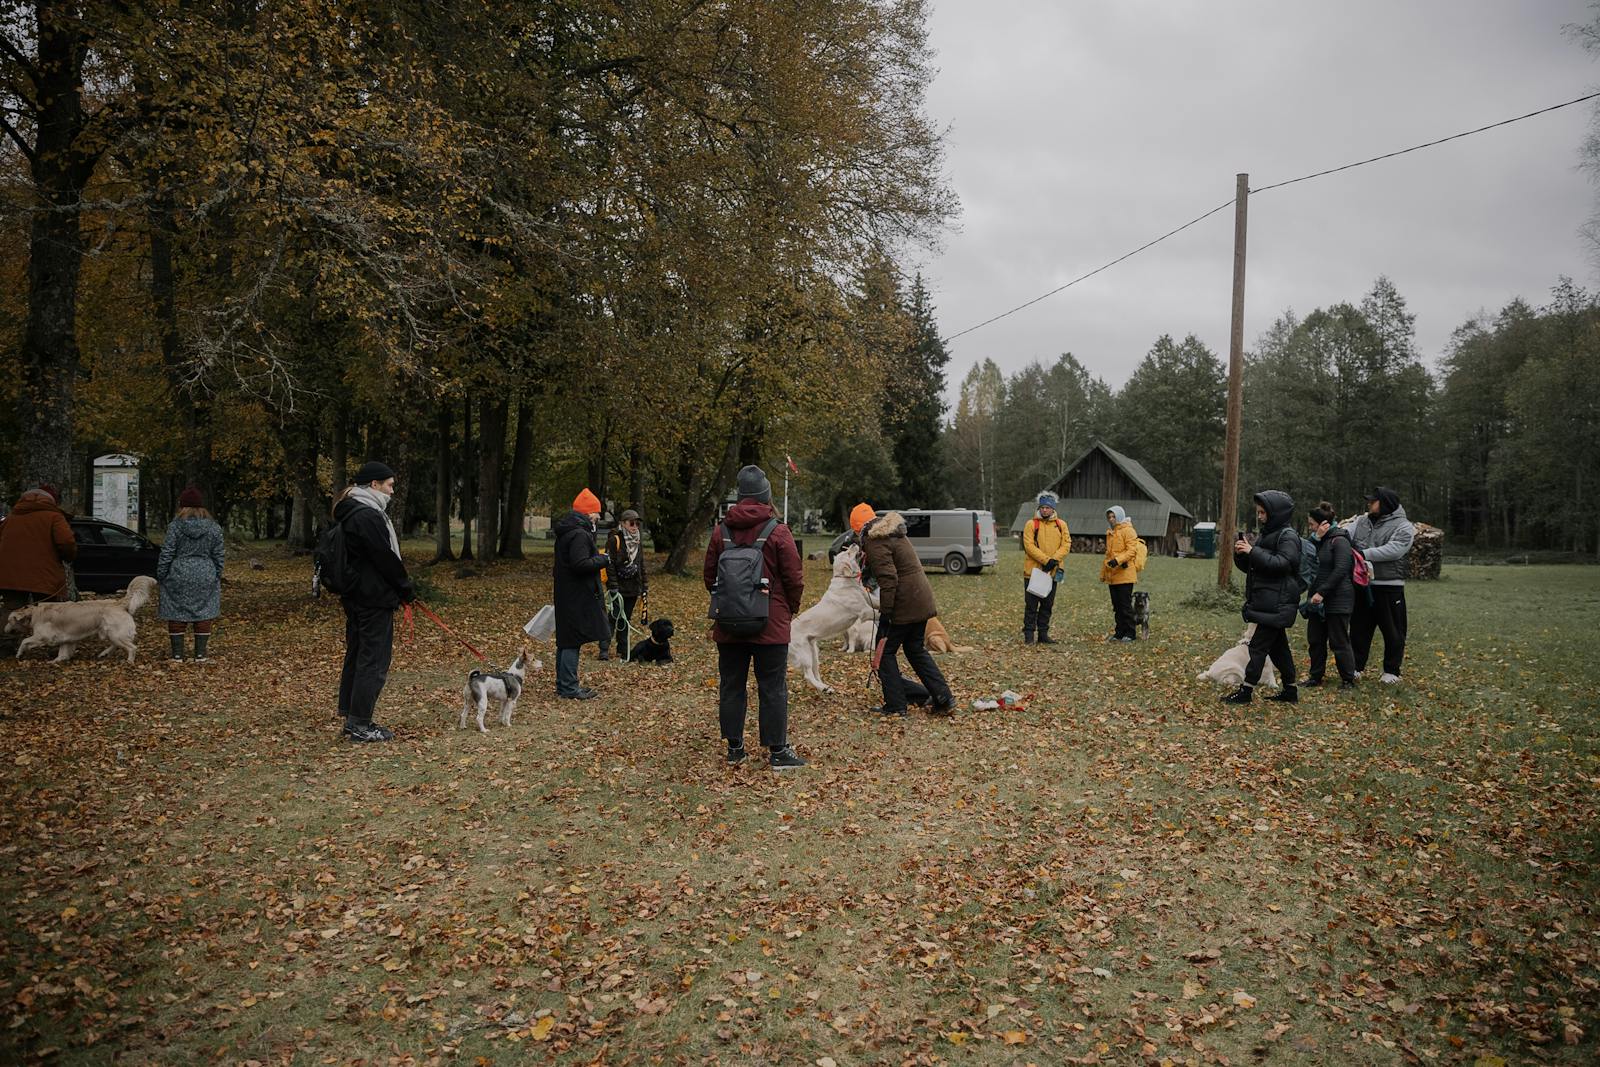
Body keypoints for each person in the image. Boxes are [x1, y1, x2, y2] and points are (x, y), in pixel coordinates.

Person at [703, 465, 807, 769]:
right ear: (765, 496)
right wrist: (789, 608)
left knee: (731, 685)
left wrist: (731, 600)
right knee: (772, 686)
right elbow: (794, 578)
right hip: (770, 623)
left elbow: (710, 576)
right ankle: (777, 751)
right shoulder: (777, 530)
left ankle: (735, 749)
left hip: (729, 622)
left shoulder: (721, 531)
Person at [332, 461, 415, 742]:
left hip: (358, 595)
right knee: (373, 660)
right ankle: (360, 724)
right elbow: (384, 557)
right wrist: (405, 588)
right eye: (389, 485)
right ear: (374, 485)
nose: (392, 491)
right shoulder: (367, 515)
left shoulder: (353, 511)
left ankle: (352, 714)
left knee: (358, 654)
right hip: (372, 597)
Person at [860, 508, 955, 718]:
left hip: (905, 603)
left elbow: (888, 579)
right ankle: (943, 696)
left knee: (885, 653)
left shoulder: (875, 541)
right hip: (921, 598)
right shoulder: (893, 533)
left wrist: (886, 614)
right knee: (915, 649)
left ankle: (895, 705)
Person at [1223, 491, 1302, 705]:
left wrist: (1253, 551)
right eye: (1258, 512)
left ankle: (1246, 691)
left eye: (1262, 512)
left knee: (1257, 647)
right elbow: (1256, 567)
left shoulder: (1288, 536)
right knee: (1279, 648)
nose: (1259, 516)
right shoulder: (1267, 535)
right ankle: (1290, 690)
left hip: (1279, 601)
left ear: (1275, 512)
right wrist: (1242, 554)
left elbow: (1282, 564)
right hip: (1269, 601)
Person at [0, 484, 77, 654]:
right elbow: (66, 543)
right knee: (48, 609)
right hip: (44, 573)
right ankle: (53, 645)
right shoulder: (54, 517)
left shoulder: (11, 517)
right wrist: (68, 557)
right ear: (53, 500)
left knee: (11, 607)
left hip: (9, 574)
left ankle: (6, 644)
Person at [1349, 487, 1415, 684]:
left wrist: (1360, 554)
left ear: (1385, 503)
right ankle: (1355, 666)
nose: (1369, 504)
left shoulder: (1404, 526)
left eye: (1373, 501)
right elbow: (1346, 534)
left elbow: (1394, 550)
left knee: (1393, 630)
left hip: (1389, 586)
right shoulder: (1361, 521)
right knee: (1359, 627)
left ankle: (1392, 671)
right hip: (1363, 584)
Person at [553, 488, 610, 699]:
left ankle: (563, 684)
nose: (598, 516)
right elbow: (580, 564)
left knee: (566, 640)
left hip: (567, 593)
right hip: (576, 594)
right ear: (588, 513)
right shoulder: (579, 534)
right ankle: (569, 687)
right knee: (572, 641)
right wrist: (604, 559)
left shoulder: (569, 531)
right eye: (596, 512)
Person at [157, 486, 225, 661]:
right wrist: (216, 573)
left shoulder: (175, 527)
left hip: (179, 572)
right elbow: (219, 554)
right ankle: (200, 655)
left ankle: (178, 655)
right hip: (205, 572)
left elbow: (167, 553)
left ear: (183, 506)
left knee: (176, 611)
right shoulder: (214, 527)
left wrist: (162, 574)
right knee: (204, 612)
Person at [1303, 501, 1357, 690]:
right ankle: (1315, 676)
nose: (1310, 527)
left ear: (1324, 523)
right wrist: (1315, 538)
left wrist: (1322, 592)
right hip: (1317, 600)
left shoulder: (1340, 540)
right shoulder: (1318, 541)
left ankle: (1348, 679)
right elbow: (1305, 558)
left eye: (1312, 524)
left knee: (1339, 641)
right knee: (1315, 640)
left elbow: (1341, 568)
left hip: (1338, 598)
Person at [1020, 491, 1070, 645]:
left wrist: (1054, 560)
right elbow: (1028, 545)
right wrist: (1045, 560)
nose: (1045, 510)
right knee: (1031, 605)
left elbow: (1066, 543)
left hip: (1052, 572)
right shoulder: (1031, 524)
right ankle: (1029, 635)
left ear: (1053, 509)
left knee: (1047, 605)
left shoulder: (1061, 525)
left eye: (1048, 508)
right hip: (1034, 572)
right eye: (1042, 507)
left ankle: (1043, 634)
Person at [600, 509, 648, 660]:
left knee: (626, 618)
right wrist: (613, 586)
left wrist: (644, 586)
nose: (635, 526)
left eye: (637, 523)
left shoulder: (638, 540)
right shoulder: (615, 540)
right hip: (617, 586)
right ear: (623, 523)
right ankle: (604, 649)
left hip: (633, 587)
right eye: (632, 523)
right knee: (613, 617)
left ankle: (623, 649)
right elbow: (610, 565)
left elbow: (641, 564)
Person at [1099, 505, 1139, 642]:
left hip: (1125, 574)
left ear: (1120, 516)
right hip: (1113, 575)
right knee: (1116, 606)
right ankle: (1119, 632)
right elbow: (1108, 555)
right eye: (1109, 517)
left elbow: (1132, 551)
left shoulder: (1129, 531)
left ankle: (1130, 633)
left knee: (1125, 605)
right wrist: (1104, 573)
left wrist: (1118, 560)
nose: (1111, 519)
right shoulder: (1110, 532)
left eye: (1113, 516)